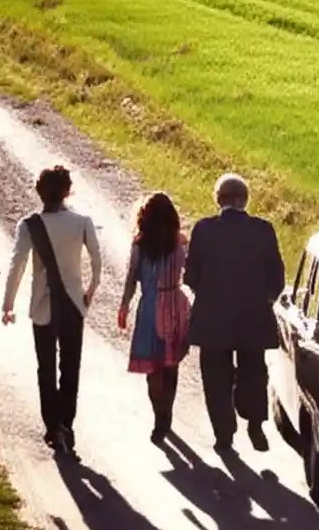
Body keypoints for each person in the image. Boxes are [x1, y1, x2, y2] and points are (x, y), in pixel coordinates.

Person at [2, 165, 101, 456]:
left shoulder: (29, 225)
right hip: (73, 304)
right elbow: (96, 260)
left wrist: (8, 303)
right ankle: (66, 424)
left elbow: (17, 264)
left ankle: (52, 426)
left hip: (42, 305)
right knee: (70, 367)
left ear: (39, 192)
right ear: (68, 190)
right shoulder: (82, 222)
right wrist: (91, 291)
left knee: (45, 367)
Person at [184, 173, 285, 452]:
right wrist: (265, 299)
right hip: (253, 316)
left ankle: (224, 434)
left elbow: (191, 274)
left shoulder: (203, 230)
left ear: (219, 200)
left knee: (215, 376)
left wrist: (207, 295)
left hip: (213, 317)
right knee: (254, 370)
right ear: (244, 200)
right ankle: (254, 421)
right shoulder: (264, 230)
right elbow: (276, 276)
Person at [117, 192, 191, 444]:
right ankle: (166, 413)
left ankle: (159, 414)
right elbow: (192, 274)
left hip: (149, 307)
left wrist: (124, 305)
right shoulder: (180, 243)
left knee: (153, 367)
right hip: (175, 303)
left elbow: (131, 277)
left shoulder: (139, 245)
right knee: (172, 365)